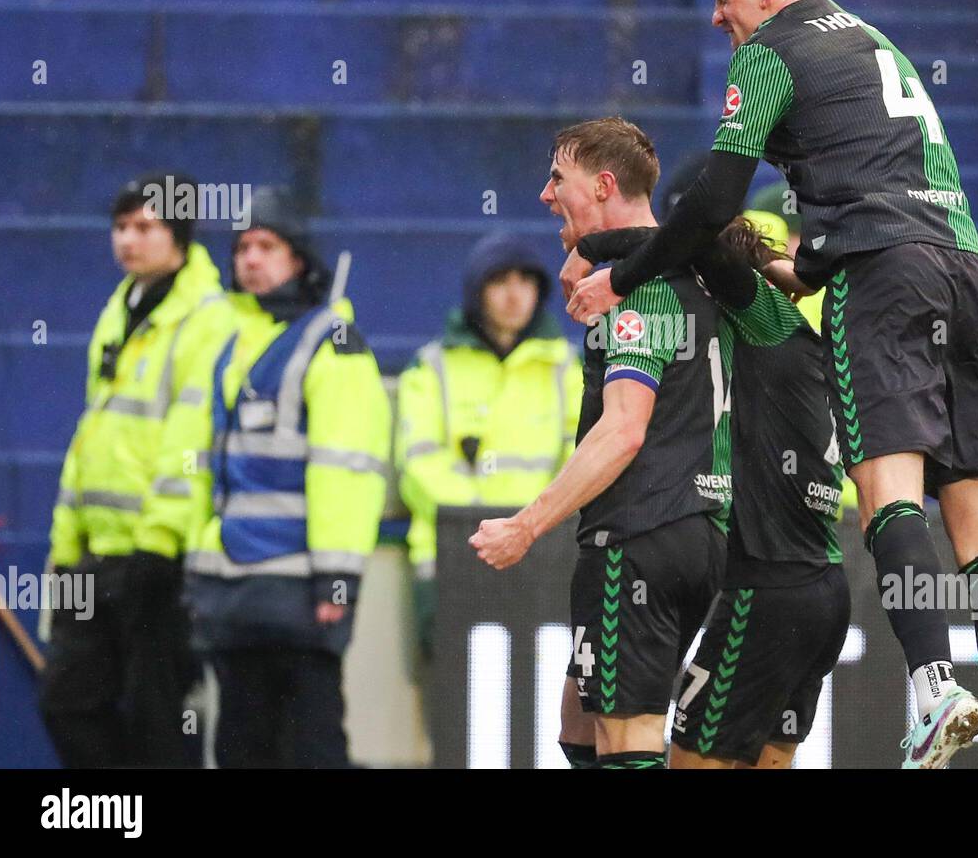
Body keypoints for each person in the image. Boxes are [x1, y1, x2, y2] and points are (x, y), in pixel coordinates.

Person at [565, 0, 978, 769]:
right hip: (968, 270)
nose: (716, 18)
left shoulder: (771, 51)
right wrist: (799, 264)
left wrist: (626, 272)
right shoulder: (872, 40)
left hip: (884, 281)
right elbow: (872, 178)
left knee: (888, 494)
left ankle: (934, 685)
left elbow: (710, 200)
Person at [469, 117, 729, 769]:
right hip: (711, 531)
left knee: (627, 734)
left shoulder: (640, 294)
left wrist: (527, 526)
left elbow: (623, 430)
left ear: (604, 184)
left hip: (639, 537)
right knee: (580, 719)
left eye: (558, 178)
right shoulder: (705, 276)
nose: (544, 193)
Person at [577, 217, 850, 769]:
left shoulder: (766, 321)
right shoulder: (819, 354)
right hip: (824, 587)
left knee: (688, 759)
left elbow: (695, 240)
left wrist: (594, 248)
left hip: (765, 591)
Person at [184, 188, 390, 768]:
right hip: (234, 592)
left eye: (266, 245)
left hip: (300, 590)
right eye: (242, 247)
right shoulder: (233, 346)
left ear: (298, 257)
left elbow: (347, 470)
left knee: (311, 746)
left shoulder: (333, 343)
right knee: (241, 748)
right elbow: (212, 475)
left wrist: (336, 578)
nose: (250, 258)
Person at [40, 172, 236, 767]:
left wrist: (159, 541)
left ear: (178, 233)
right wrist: (66, 542)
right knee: (67, 704)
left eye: (144, 227)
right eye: (121, 227)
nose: (128, 240)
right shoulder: (117, 310)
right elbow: (93, 429)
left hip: (157, 557)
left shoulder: (208, 319)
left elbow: (191, 437)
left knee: (160, 718)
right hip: (93, 553)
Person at [395, 232, 582, 660]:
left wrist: (529, 528)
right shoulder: (431, 366)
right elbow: (418, 464)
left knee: (544, 705)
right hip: (452, 563)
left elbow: (581, 457)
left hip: (545, 560)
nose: (514, 295)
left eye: (526, 281)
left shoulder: (566, 368)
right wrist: (489, 531)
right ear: (476, 291)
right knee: (456, 713)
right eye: (500, 281)